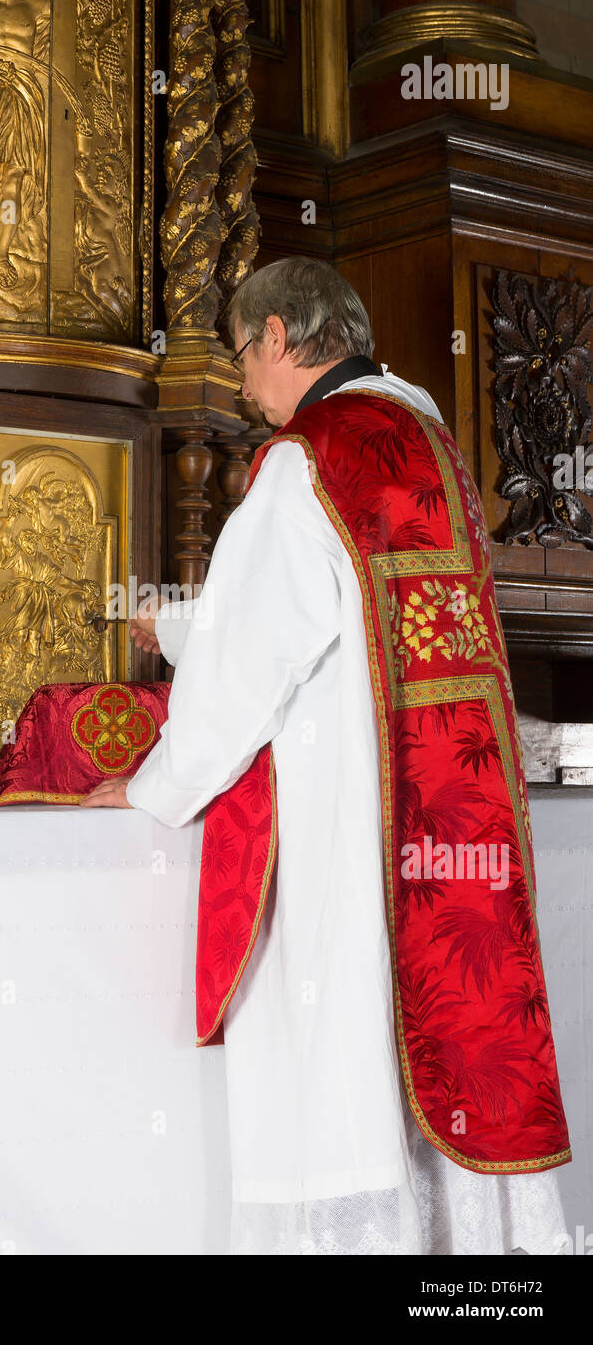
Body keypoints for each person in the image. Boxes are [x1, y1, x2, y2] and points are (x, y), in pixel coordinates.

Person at [79, 257, 572, 1255]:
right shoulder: (426, 440)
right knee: (436, 1042)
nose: (242, 386)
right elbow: (335, 625)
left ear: (275, 338)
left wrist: (145, 788)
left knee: (344, 1067)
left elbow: (241, 676)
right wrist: (182, 631)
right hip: (452, 817)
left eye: (239, 359)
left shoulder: (307, 462)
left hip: (353, 828)